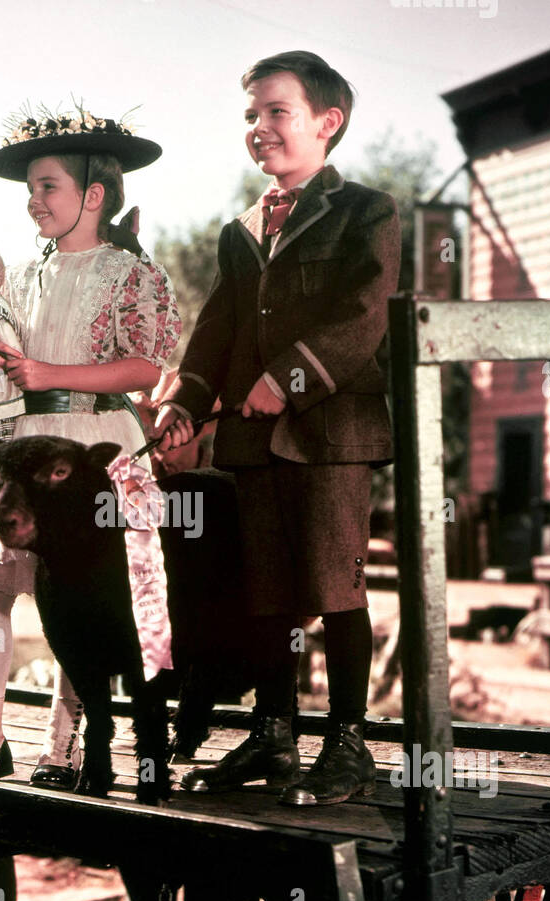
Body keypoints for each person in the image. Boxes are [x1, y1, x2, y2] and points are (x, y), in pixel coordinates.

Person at [152, 50, 400, 807]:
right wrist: (185, 401)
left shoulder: (368, 212)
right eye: (251, 116)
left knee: (334, 588)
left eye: (277, 112)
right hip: (255, 447)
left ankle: (349, 745)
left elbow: (361, 318)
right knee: (266, 593)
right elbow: (218, 326)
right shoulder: (241, 231)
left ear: (328, 123)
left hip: (330, 437)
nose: (260, 128)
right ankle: (275, 732)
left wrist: (286, 379)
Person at [0, 102, 181, 788]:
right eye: (31, 188)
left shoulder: (131, 274)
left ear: (93, 196)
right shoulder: (15, 276)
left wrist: (55, 375)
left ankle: (62, 742)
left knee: (82, 595)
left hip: (96, 440)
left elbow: (148, 367)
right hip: (20, 443)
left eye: (50, 187)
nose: (35, 202)